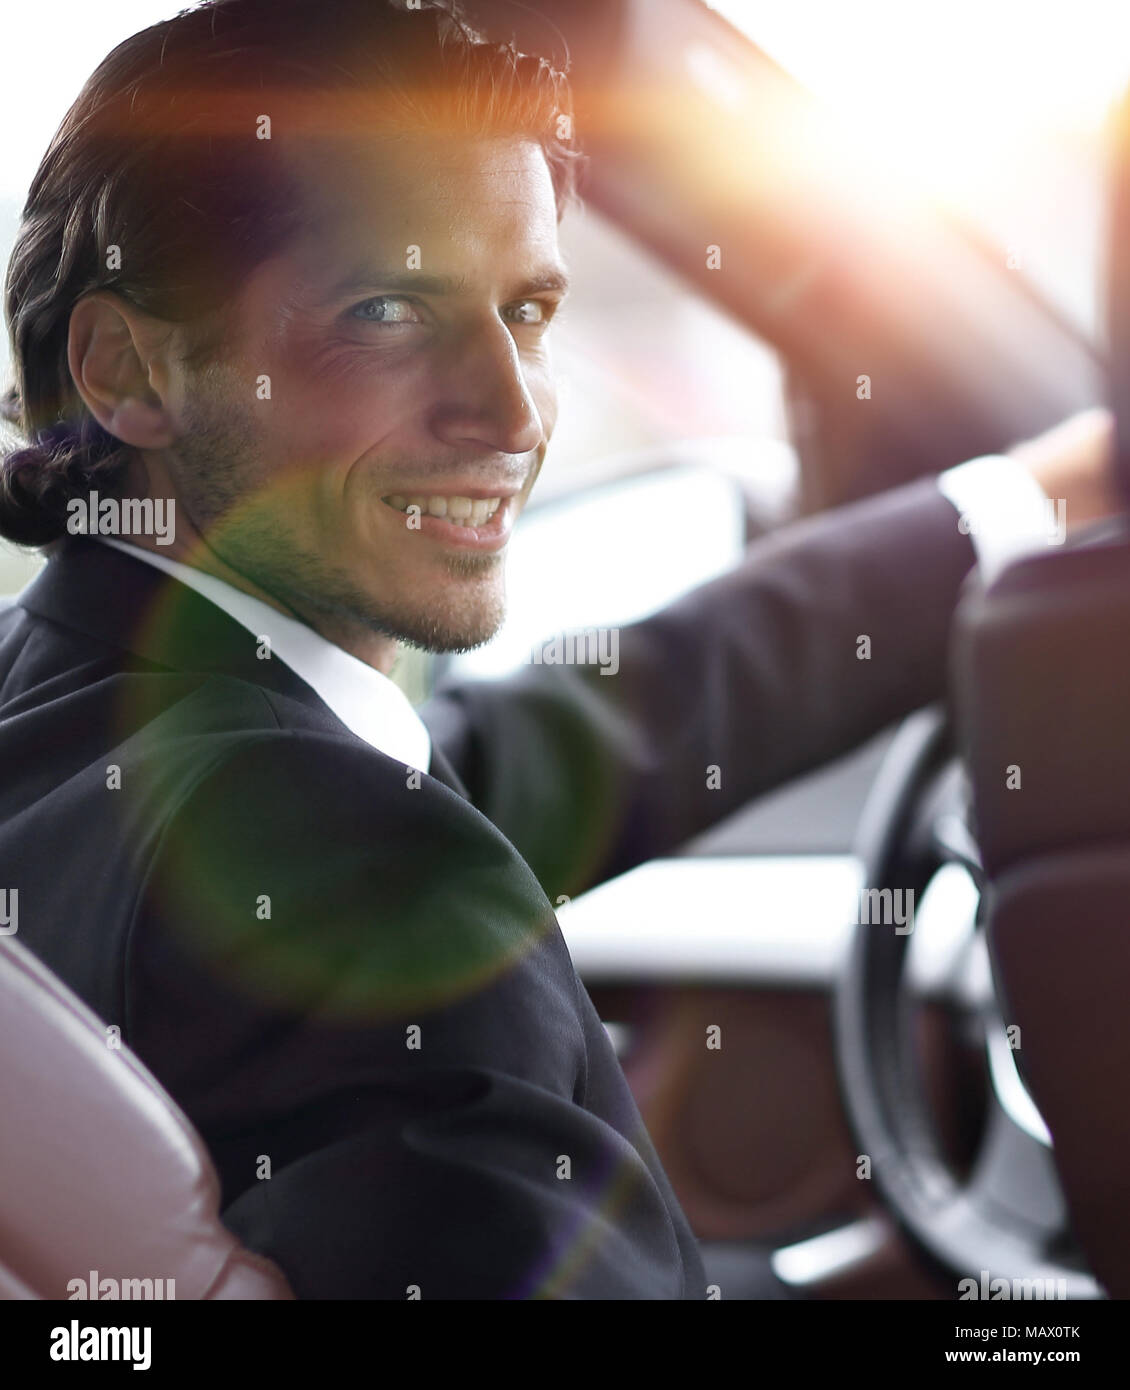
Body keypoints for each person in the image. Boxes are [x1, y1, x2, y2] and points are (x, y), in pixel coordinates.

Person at [0, 0, 1118, 1299]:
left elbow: (510, 761)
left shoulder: (77, 714)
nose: (514, 407)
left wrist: (1012, 505)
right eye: (386, 311)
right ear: (130, 368)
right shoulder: (357, 860)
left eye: (526, 309)